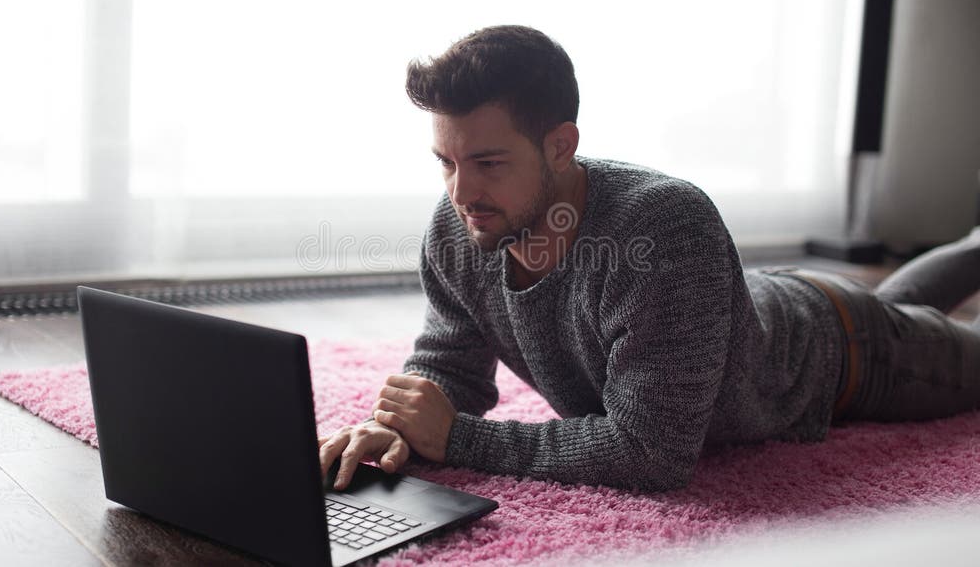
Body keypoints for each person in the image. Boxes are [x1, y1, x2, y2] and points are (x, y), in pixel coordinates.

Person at [318, 25, 980, 492]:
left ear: (560, 145)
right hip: (749, 308)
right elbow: (450, 359)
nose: (461, 192)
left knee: (919, 330)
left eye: (488, 163)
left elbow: (651, 453)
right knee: (903, 301)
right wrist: (397, 423)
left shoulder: (663, 226)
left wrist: (456, 440)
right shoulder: (461, 223)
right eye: (446, 163)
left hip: (846, 355)